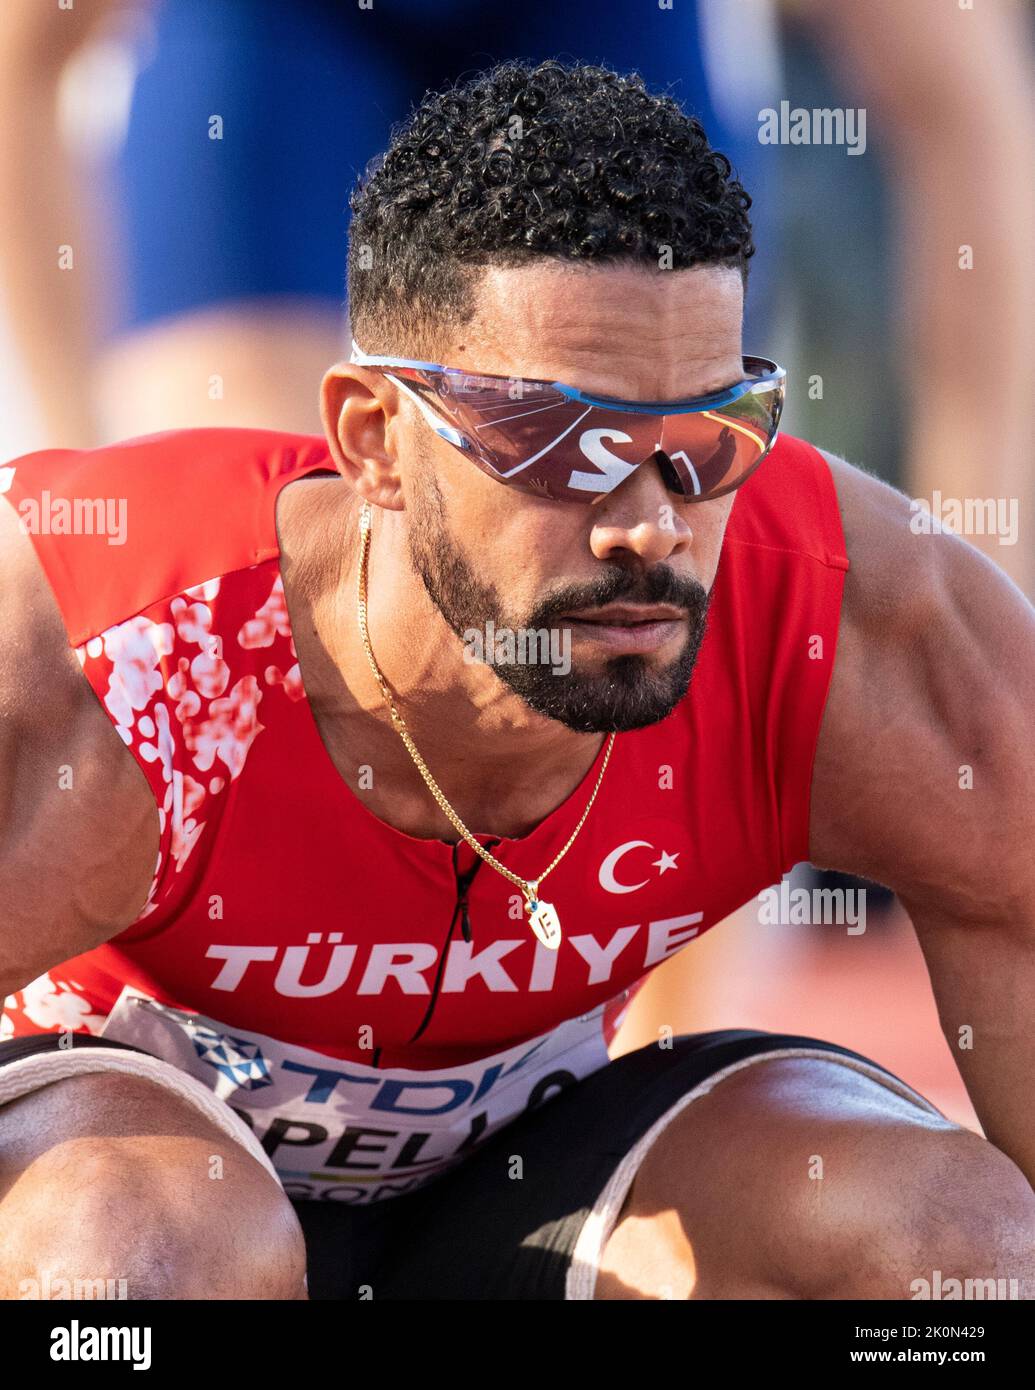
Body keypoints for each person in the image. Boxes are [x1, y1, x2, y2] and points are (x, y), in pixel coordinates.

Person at [1, 60, 1033, 1302]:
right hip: (120, 1171)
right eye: (566, 445)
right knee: (138, 1256)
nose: (648, 527)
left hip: (529, 1193)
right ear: (374, 443)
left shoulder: (858, 632)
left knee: (959, 1253)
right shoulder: (109, 670)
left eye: (706, 441)